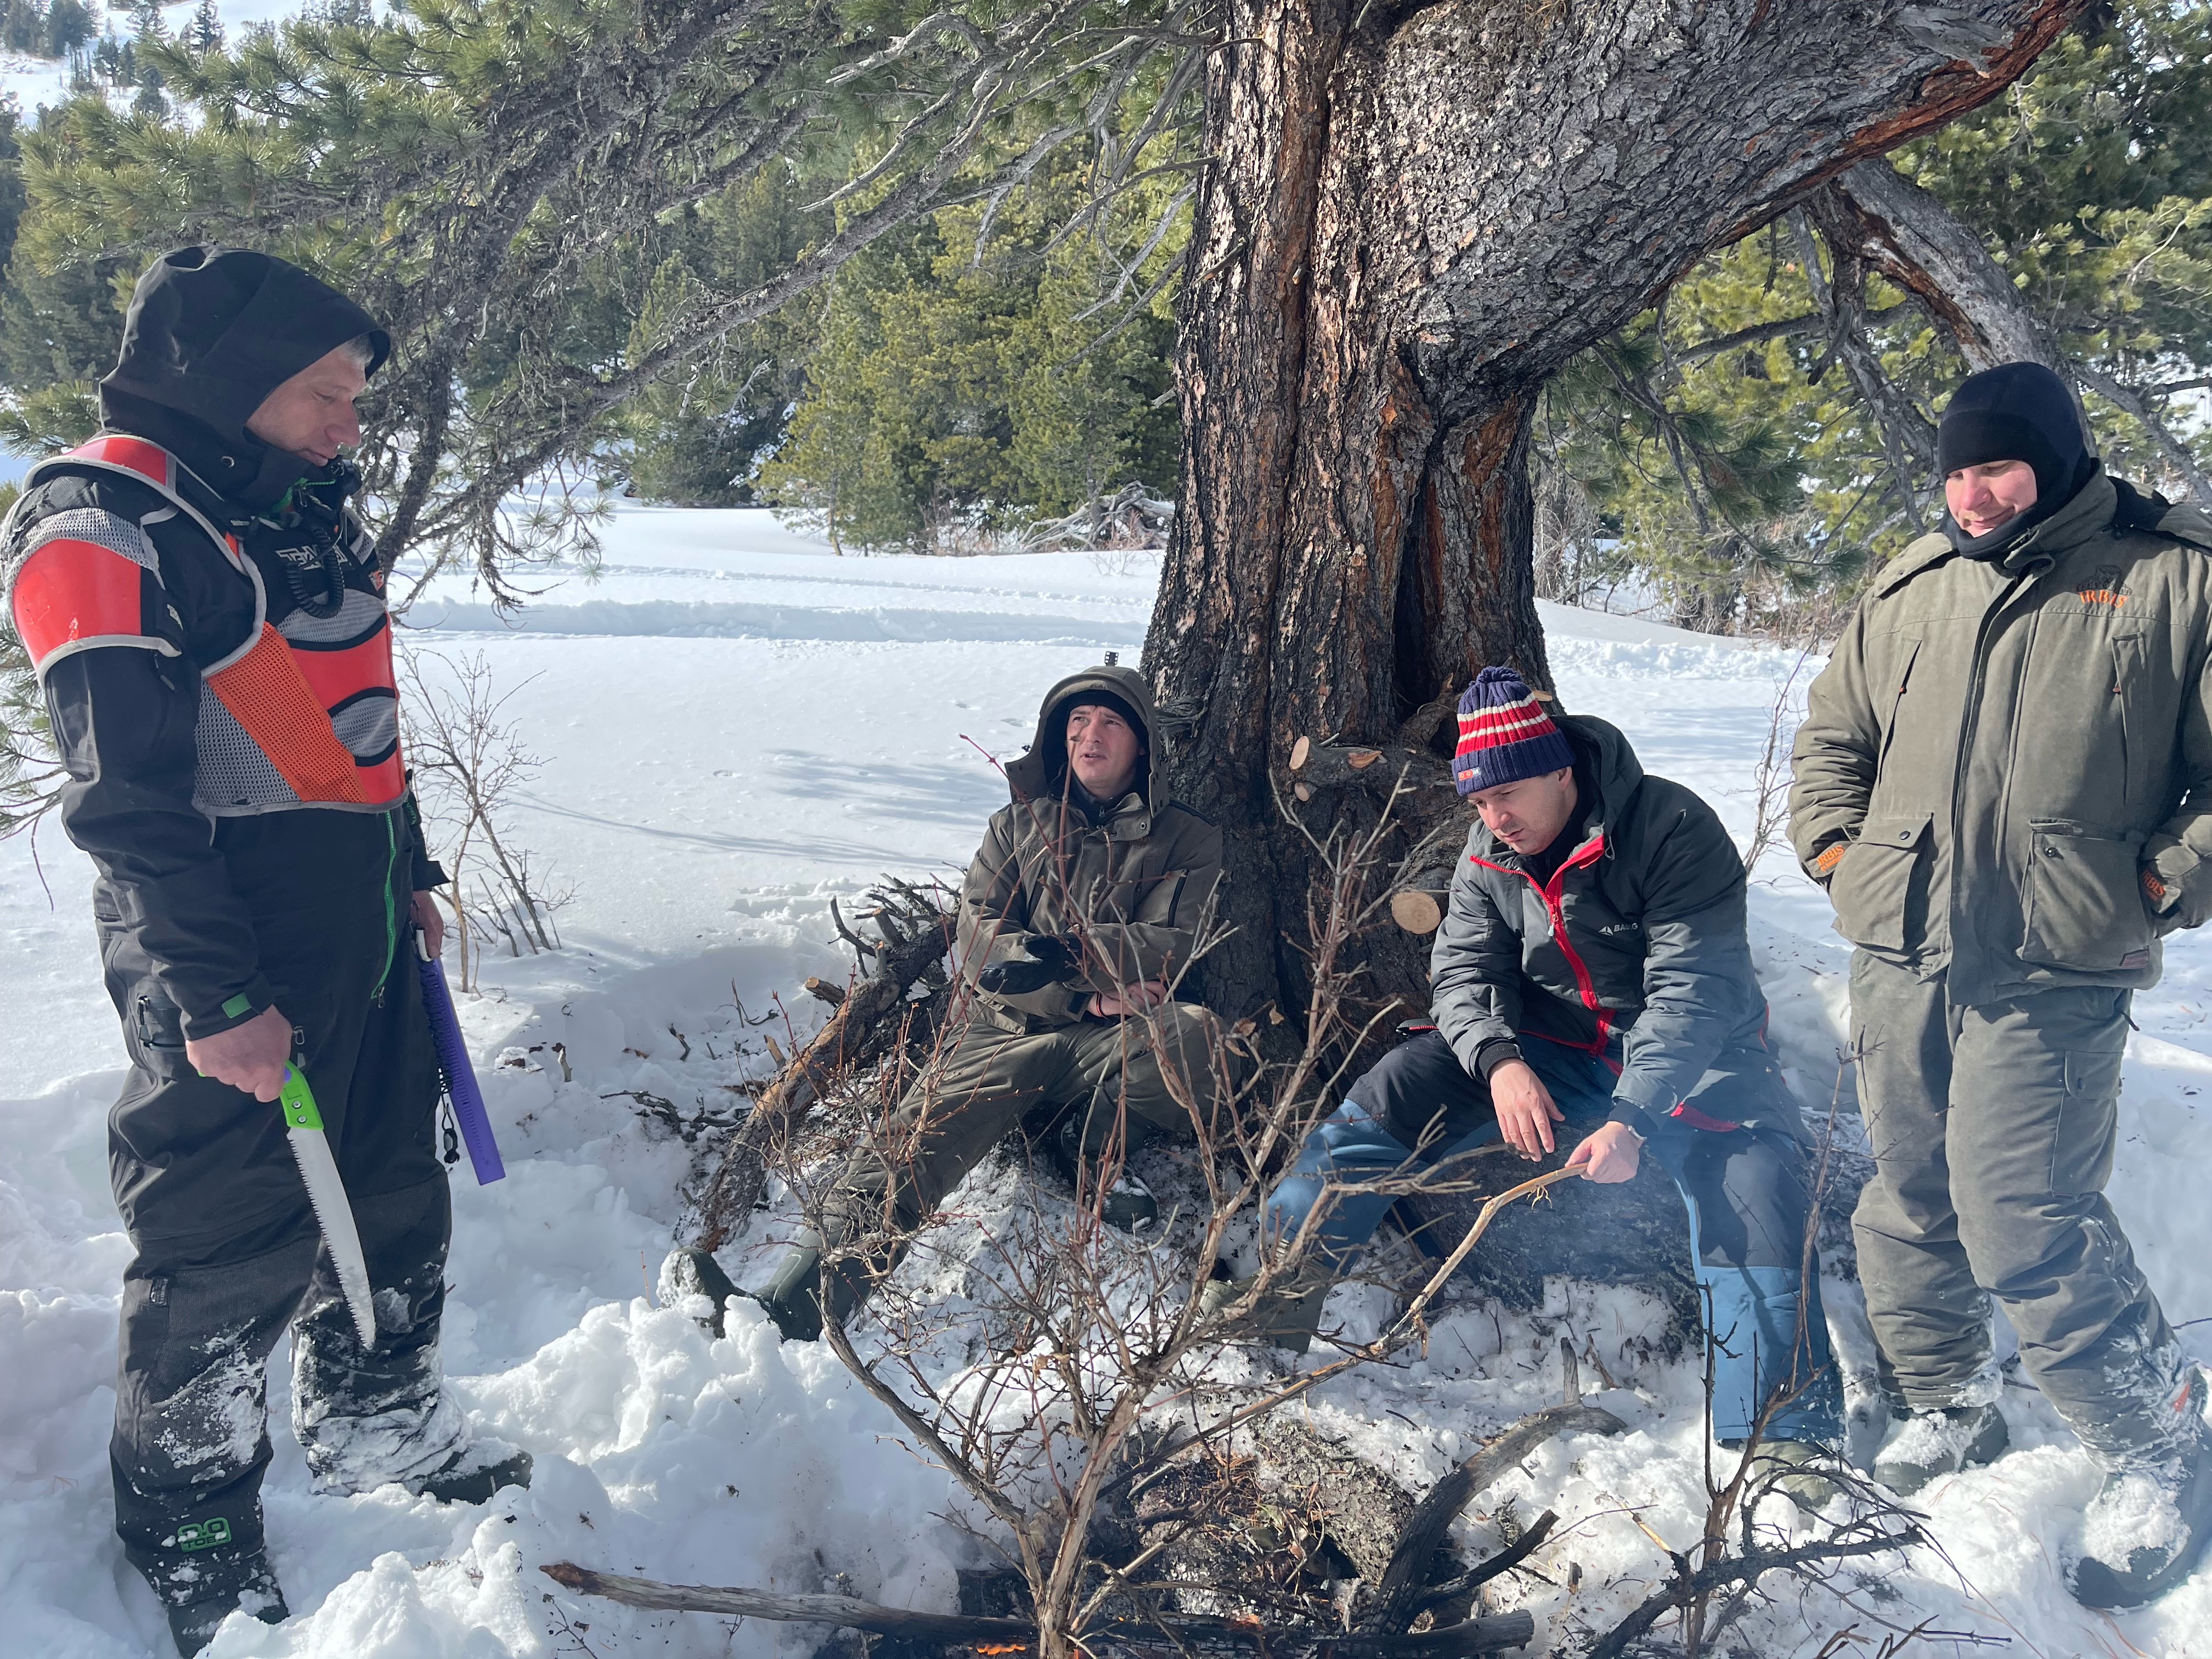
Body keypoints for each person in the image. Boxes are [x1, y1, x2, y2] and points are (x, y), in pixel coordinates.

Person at [2, 247, 527, 1654]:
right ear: (228, 384)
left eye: (356, 395)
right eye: (324, 393)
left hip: (352, 912)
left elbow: (354, 716)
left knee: (389, 1177)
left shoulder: (290, 508)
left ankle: (380, 1415)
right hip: (220, 937)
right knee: (229, 1224)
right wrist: (217, 996)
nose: (352, 423)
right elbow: (127, 804)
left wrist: (406, 868)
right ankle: (187, 1515)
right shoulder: (100, 525)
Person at [1791, 360, 2212, 1607]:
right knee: (1907, 1196)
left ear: (2058, 461)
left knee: (2024, 1208)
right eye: (1958, 471)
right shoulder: (1916, 583)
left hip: (2057, 961)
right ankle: (1950, 1402)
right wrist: (1836, 854)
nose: (1974, 494)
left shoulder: (2168, 579)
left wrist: (2159, 884)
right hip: (1906, 946)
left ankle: (2154, 1439)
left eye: (1999, 467)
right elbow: (1832, 740)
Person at [1224, 667, 1843, 1499]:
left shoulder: (1670, 826)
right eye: (1478, 804)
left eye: (1507, 795)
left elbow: (1696, 993)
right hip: (1553, 1048)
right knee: (1396, 1088)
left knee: (1757, 1178)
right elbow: (1463, 973)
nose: (1494, 819)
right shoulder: (1488, 853)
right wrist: (1499, 1062)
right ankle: (1273, 1307)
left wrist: (1630, 1117)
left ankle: (1783, 1432)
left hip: (1698, 1059)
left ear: (1563, 773)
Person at [754, 660, 1226, 1341]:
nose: (1090, 736)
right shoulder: (1016, 827)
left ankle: (1087, 1145)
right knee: (910, 1146)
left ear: (1142, 744)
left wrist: (1062, 957)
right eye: (1077, 723)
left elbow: (1168, 942)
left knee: (1198, 1038)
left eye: (1111, 723)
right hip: (1006, 1030)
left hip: (1113, 1041)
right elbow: (980, 940)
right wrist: (1082, 994)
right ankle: (797, 1300)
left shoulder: (1188, 838)